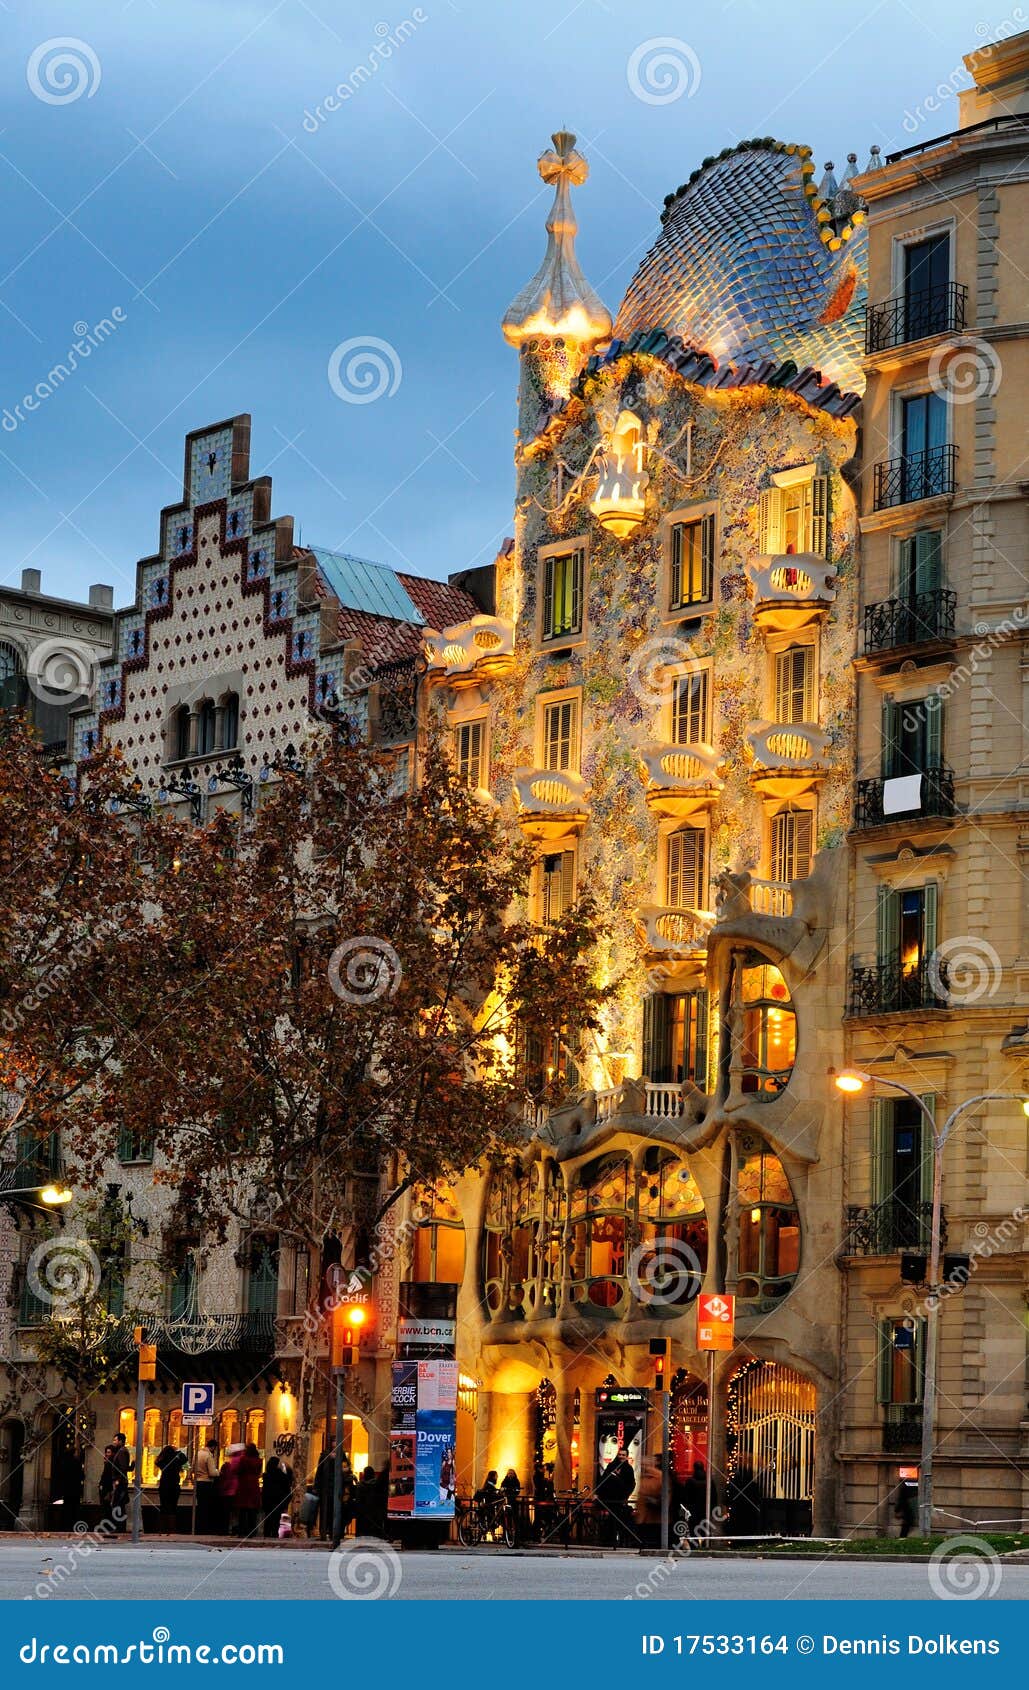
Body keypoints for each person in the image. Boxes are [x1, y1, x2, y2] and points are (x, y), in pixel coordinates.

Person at [155, 1444, 187, 1534]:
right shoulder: (178, 1458)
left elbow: (157, 1462)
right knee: (173, 1507)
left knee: (164, 1506)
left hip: (164, 1484)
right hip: (174, 1484)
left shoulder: (162, 1460)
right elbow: (187, 1466)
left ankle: (162, 1528)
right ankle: (171, 1529)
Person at [634, 1456, 664, 1549]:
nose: (643, 1467)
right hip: (643, 1516)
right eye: (642, 1465)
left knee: (652, 1539)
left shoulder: (659, 1477)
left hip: (654, 1516)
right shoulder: (644, 1477)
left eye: (645, 1465)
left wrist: (653, 1501)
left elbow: (664, 1497)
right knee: (644, 1538)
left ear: (653, 1464)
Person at [262, 1455, 294, 1539]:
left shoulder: (266, 1475)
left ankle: (267, 1533)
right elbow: (287, 1484)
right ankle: (274, 1533)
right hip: (277, 1499)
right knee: (276, 1518)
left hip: (268, 1499)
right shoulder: (281, 1475)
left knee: (268, 1517)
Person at [235, 1442, 263, 1538]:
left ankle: (242, 1530)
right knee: (253, 1511)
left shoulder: (244, 1459)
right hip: (254, 1485)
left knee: (242, 1510)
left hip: (244, 1485)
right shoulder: (259, 1461)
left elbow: (239, 1471)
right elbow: (259, 1473)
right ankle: (252, 1531)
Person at [193, 1438, 219, 1534]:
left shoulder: (198, 1453)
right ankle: (204, 1529)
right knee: (206, 1507)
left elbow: (192, 1469)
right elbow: (212, 1473)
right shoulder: (208, 1455)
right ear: (213, 1447)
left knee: (200, 1506)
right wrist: (218, 1472)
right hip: (206, 1483)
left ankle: (197, 1528)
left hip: (198, 1483)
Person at [59, 1442, 85, 1532]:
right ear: (73, 1453)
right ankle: (75, 1526)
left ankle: (65, 1526)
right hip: (75, 1489)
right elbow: (82, 1476)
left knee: (67, 1508)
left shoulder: (63, 1462)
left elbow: (61, 1476)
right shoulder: (77, 1462)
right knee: (75, 1508)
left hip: (66, 1490)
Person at [219, 1444, 243, 1537]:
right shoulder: (241, 1461)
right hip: (237, 1491)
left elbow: (226, 1479)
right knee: (236, 1513)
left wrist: (223, 1489)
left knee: (227, 1512)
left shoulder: (229, 1464)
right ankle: (235, 1528)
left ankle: (226, 1529)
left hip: (228, 1491)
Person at [110, 1433, 132, 1533]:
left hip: (120, 1483)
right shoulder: (121, 1451)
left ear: (121, 1441)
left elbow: (123, 1468)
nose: (114, 1442)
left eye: (115, 1440)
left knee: (118, 1504)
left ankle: (119, 1527)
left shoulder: (122, 1451)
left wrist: (118, 1481)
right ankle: (119, 1527)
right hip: (121, 1482)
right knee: (119, 1504)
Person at [98, 1444, 116, 1523]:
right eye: (106, 1452)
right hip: (105, 1488)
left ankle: (106, 1524)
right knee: (105, 1507)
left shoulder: (110, 1463)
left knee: (106, 1508)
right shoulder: (107, 1462)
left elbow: (107, 1476)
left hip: (107, 1488)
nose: (107, 1454)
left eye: (109, 1452)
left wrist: (102, 1485)